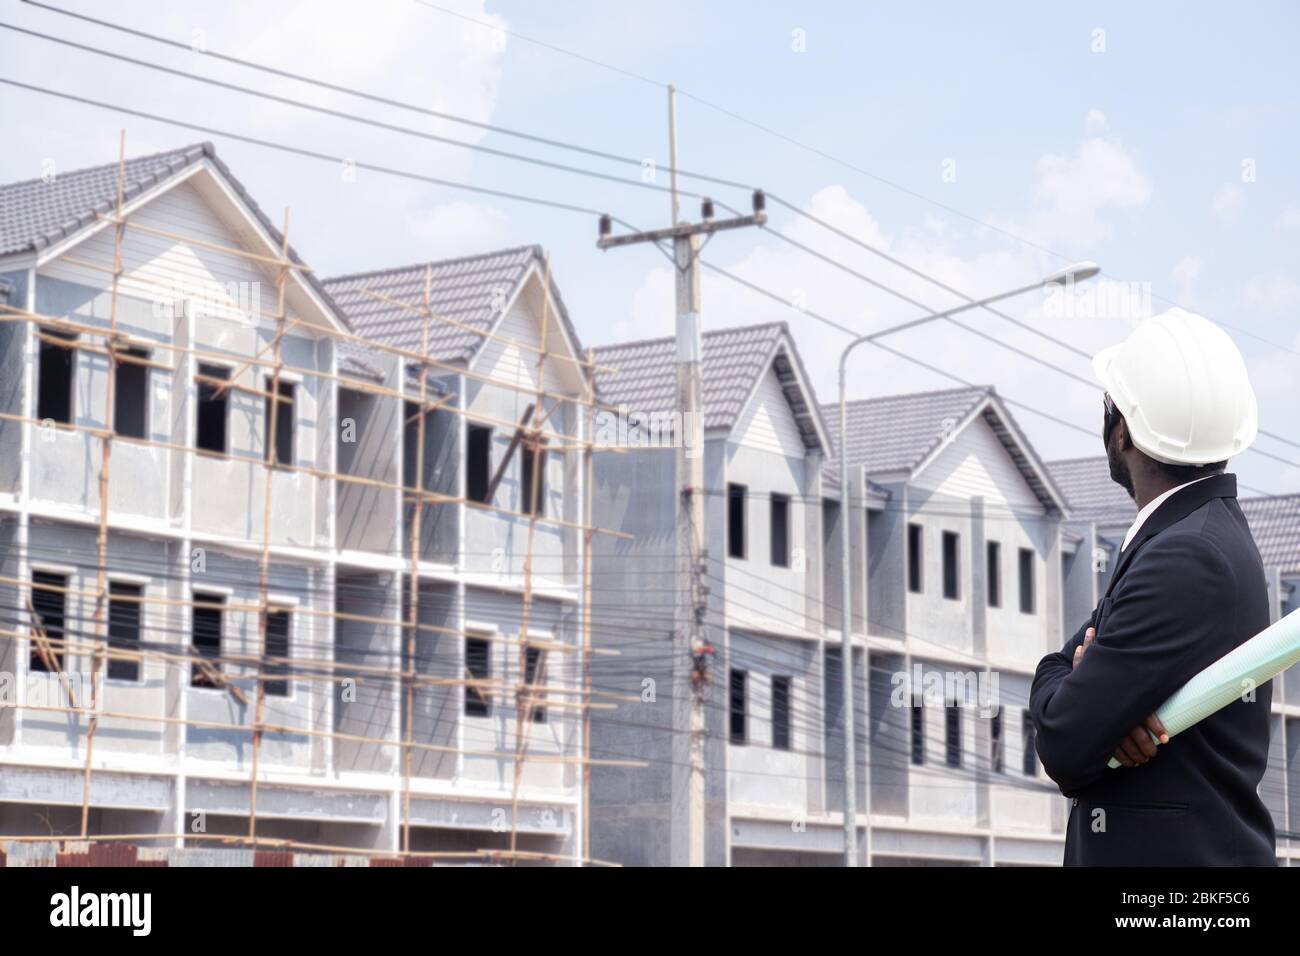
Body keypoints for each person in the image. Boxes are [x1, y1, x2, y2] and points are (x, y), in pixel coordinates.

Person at [1030, 307, 1275, 866]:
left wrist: (1085, 695)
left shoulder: (1185, 556)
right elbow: (1077, 709)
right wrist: (1098, 704)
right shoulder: (1193, 538)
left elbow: (1065, 740)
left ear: (1122, 431)